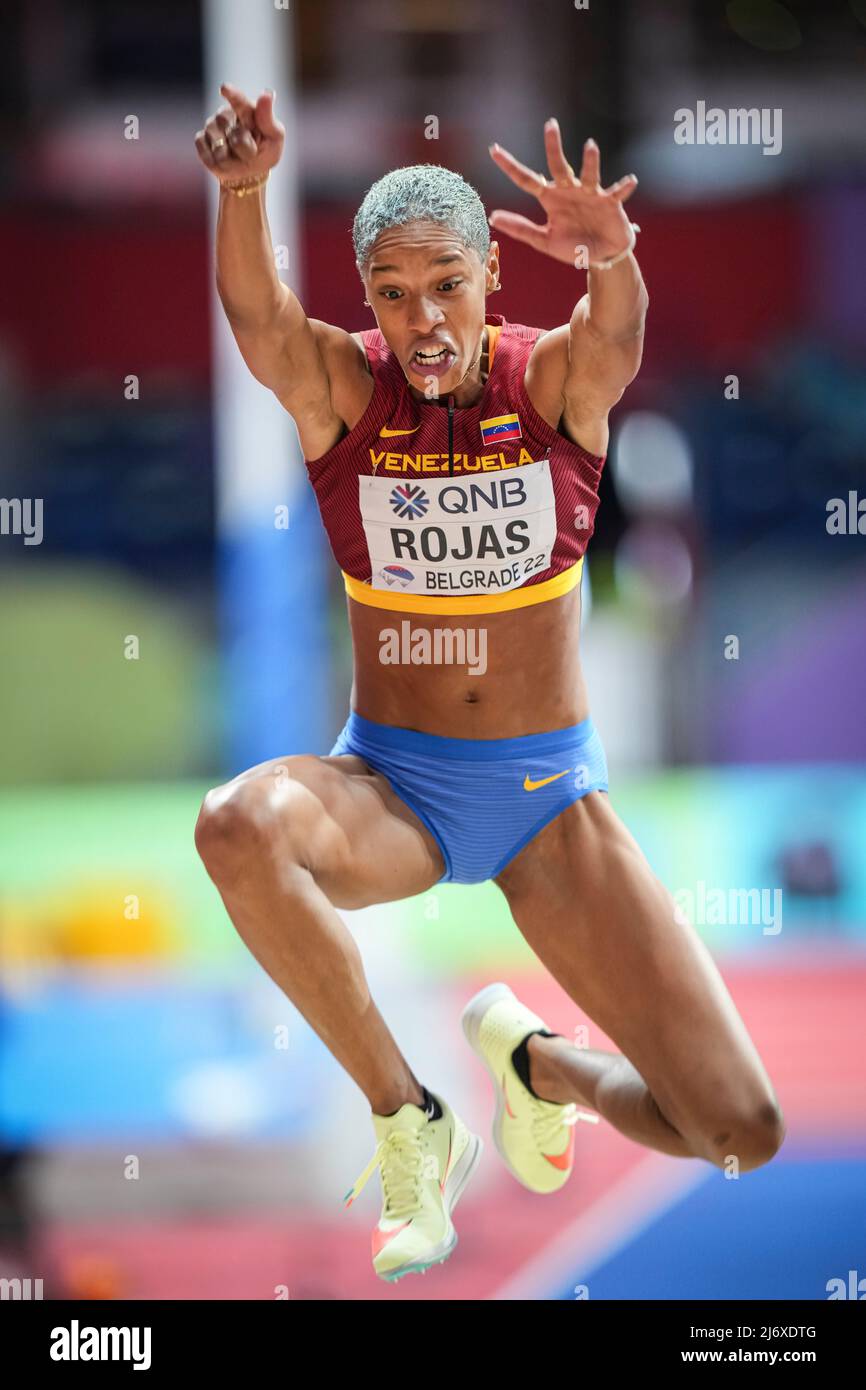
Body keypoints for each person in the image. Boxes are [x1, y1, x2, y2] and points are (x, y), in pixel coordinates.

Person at [193, 85, 785, 1283]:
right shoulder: (345, 397)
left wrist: (612, 252)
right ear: (367, 300)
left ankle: (540, 1068)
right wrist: (244, 189)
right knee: (235, 827)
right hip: (392, 788)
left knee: (736, 1130)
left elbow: (615, 339)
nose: (422, 318)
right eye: (394, 293)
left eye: (446, 284)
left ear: (489, 283)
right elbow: (260, 321)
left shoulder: (549, 381)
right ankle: (410, 1114)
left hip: (547, 805)